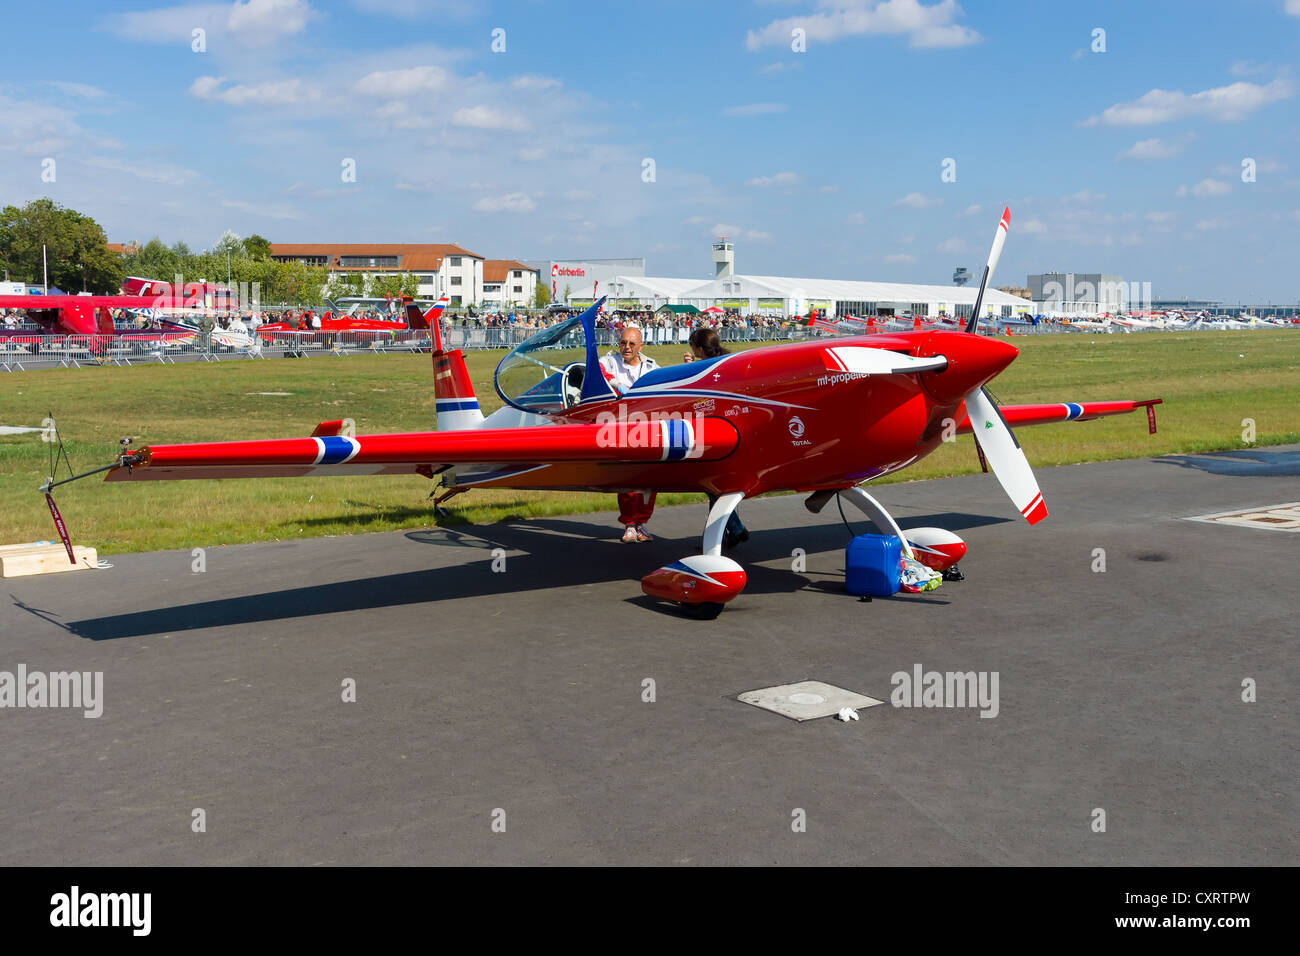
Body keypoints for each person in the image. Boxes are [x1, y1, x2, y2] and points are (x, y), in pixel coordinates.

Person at [684, 328, 749, 549]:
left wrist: (688, 369)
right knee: (716, 492)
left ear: (700, 349)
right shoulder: (726, 363)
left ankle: (727, 534)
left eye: (694, 346)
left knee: (714, 490)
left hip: (713, 434)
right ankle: (731, 532)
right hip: (730, 429)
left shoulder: (703, 370)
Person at [600, 326, 660, 542]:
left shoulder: (652, 367)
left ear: (640, 346)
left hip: (647, 427)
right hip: (620, 426)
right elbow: (596, 369)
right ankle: (629, 525)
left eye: (632, 344)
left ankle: (642, 523)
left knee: (648, 481)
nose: (626, 347)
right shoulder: (609, 361)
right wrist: (616, 383)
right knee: (627, 480)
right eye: (623, 343)